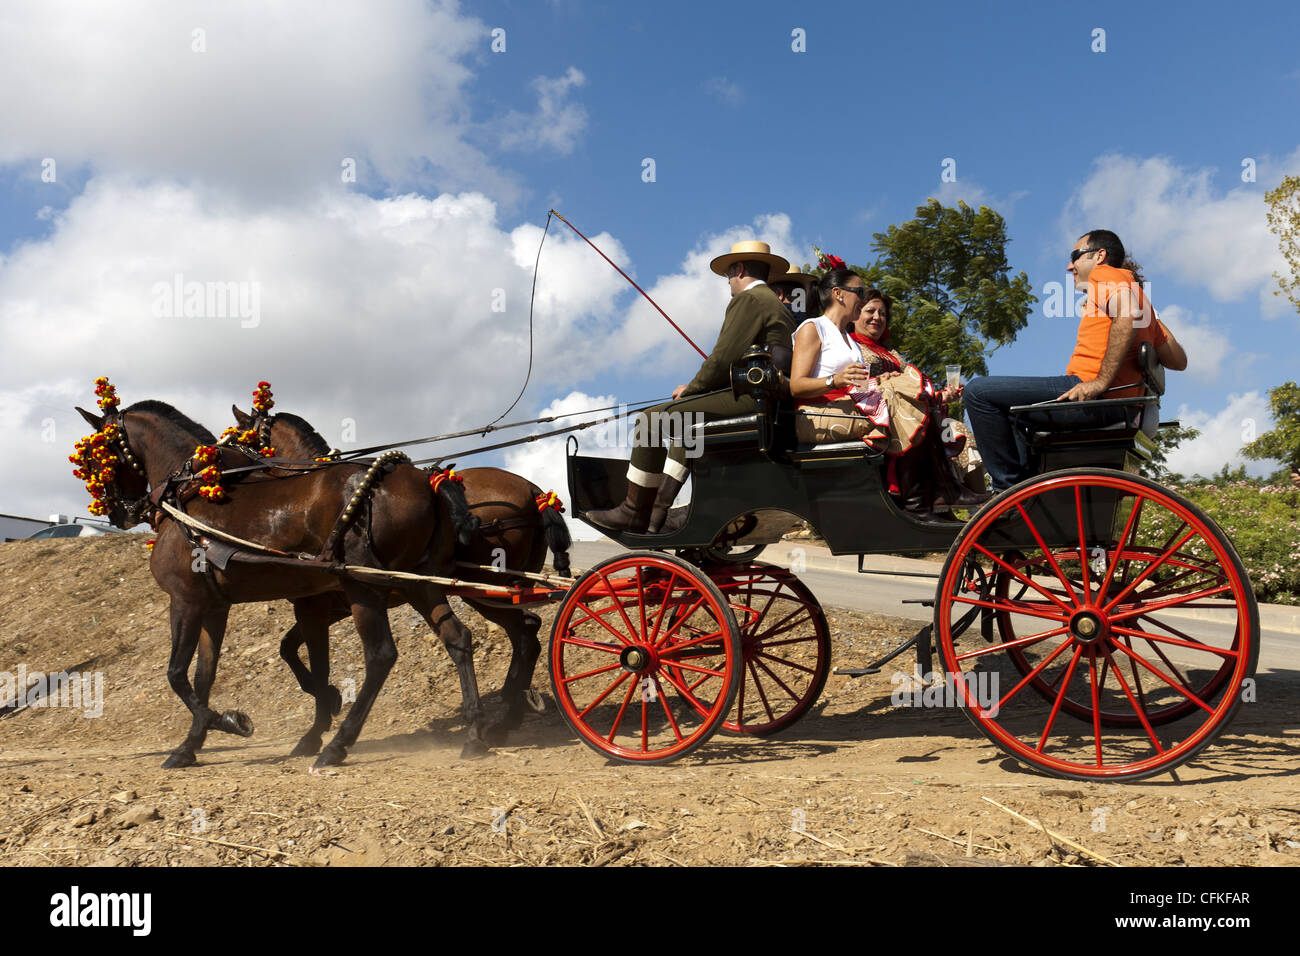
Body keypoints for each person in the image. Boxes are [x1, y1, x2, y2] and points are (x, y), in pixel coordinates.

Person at [587, 240, 796, 534]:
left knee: (652, 420)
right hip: (765, 399)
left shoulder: (750, 300)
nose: (728, 284)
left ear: (738, 269)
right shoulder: (774, 303)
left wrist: (693, 390)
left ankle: (634, 512)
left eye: (728, 276)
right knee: (684, 423)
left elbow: (723, 358)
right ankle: (658, 513)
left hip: (752, 399)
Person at [963, 229, 1185, 491]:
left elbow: (1126, 314)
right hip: (1126, 407)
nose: (1070, 266)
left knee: (978, 392)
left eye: (1075, 256)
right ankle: (1025, 492)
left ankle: (1006, 494)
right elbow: (1179, 360)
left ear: (1099, 256)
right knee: (1011, 412)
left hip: (1097, 397)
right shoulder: (1140, 299)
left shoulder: (1104, 274)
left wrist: (1100, 382)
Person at [849, 289, 989, 519]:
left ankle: (976, 512)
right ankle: (940, 503)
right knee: (925, 428)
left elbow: (918, 388)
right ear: (855, 315)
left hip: (906, 411)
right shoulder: (851, 348)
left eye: (882, 313)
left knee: (957, 430)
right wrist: (880, 381)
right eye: (870, 311)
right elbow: (857, 390)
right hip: (879, 415)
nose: (877, 317)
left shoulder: (891, 354)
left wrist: (942, 395)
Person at [788, 269, 889, 446]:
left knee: (899, 393)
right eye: (859, 292)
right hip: (817, 418)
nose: (863, 300)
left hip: (848, 411)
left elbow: (861, 390)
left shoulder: (851, 342)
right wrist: (835, 380)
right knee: (895, 399)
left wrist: (879, 381)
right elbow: (796, 387)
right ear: (838, 293)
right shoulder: (813, 327)